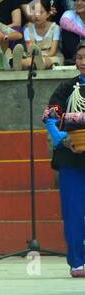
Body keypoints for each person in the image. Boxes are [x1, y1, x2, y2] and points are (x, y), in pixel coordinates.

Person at [42, 44, 85, 277]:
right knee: (73, 211)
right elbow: (50, 116)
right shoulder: (67, 88)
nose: (82, 61)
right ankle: (77, 261)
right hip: (72, 158)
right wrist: (62, 139)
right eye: (79, 57)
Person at [16, 0, 62, 70]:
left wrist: (41, 57)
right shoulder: (27, 30)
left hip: (51, 56)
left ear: (48, 14)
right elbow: (29, 50)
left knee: (49, 61)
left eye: (40, 12)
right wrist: (35, 57)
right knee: (28, 60)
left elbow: (53, 51)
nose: (37, 15)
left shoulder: (55, 28)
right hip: (33, 56)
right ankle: (19, 63)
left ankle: (32, 64)